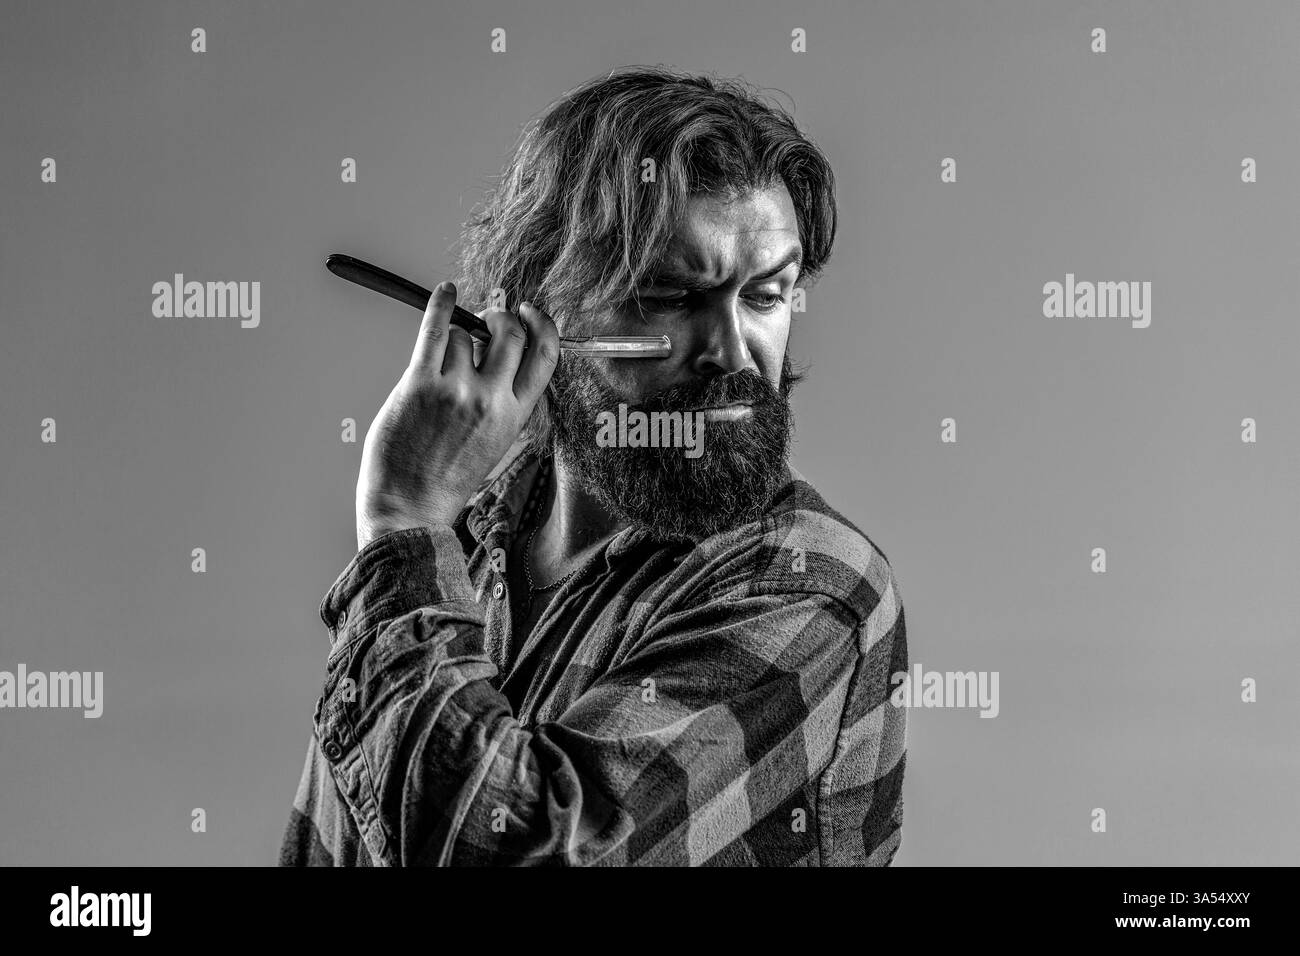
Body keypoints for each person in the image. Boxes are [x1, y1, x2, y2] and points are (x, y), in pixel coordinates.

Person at [280, 66, 908, 866]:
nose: (731, 354)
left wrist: (401, 524)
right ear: (535, 321)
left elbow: (508, 854)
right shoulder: (453, 558)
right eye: (670, 298)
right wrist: (414, 544)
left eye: (765, 296)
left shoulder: (804, 584)